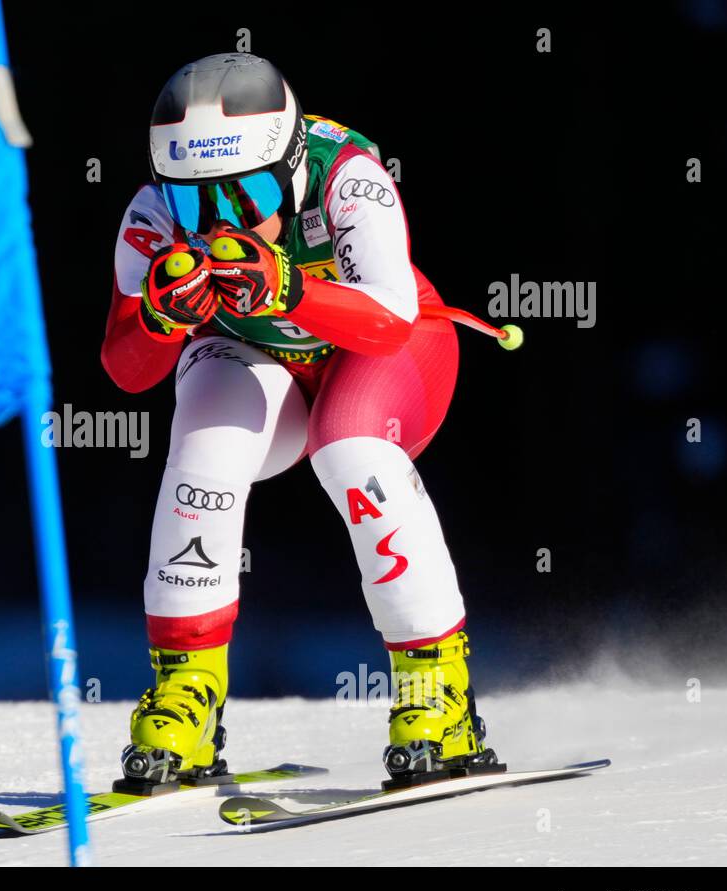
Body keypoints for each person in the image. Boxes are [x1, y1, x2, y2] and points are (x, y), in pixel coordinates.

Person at [103, 52, 502, 789]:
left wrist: (290, 287)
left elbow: (387, 320)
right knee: (203, 450)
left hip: (382, 346)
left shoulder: (347, 178)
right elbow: (127, 369)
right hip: (259, 353)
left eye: (249, 195)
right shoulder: (153, 217)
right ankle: (186, 697)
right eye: (198, 205)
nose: (223, 222)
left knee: (351, 451)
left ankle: (437, 693)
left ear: (287, 167)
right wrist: (158, 315)